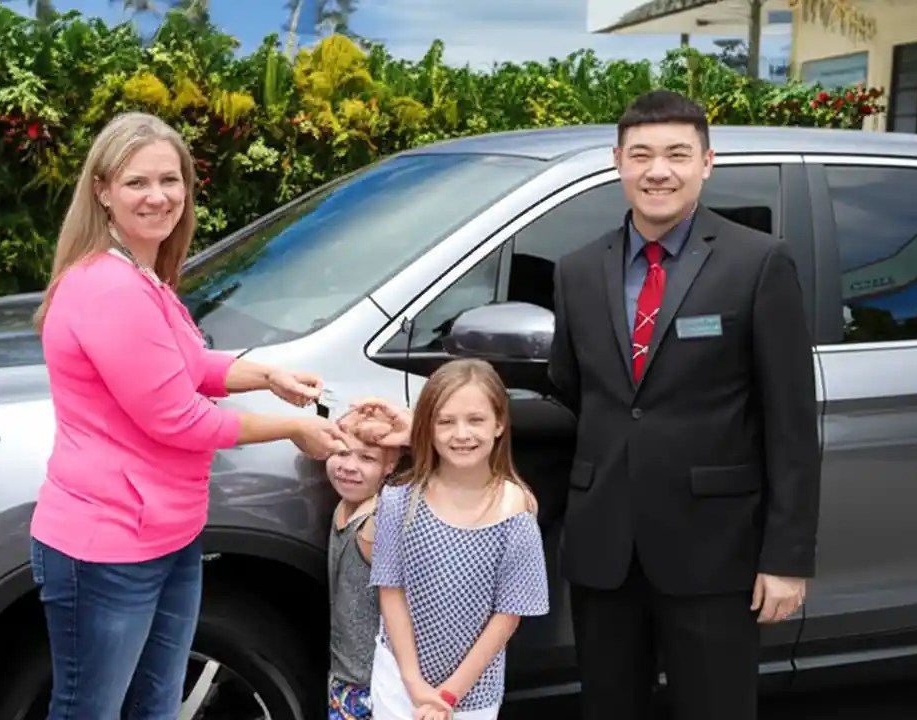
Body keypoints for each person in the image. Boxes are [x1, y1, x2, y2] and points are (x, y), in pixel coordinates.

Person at [28, 111, 348, 719]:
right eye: (137, 183)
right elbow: (178, 418)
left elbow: (187, 364)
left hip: (166, 536)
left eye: (169, 180)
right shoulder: (109, 288)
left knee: (155, 708)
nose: (158, 197)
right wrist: (295, 428)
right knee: (86, 711)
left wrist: (267, 375)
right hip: (108, 548)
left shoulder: (141, 276)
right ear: (102, 191)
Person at [546, 90, 821, 720]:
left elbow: (791, 423)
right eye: (640, 154)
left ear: (707, 163)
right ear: (618, 161)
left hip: (716, 551)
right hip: (604, 551)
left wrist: (786, 559)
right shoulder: (577, 271)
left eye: (676, 153)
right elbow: (573, 394)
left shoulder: (759, 263)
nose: (657, 170)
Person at [367, 359, 550, 720]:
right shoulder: (398, 500)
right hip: (398, 679)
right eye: (445, 421)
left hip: (472, 693)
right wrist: (414, 684)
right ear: (428, 429)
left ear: (499, 424)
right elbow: (391, 590)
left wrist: (448, 695)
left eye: (475, 420)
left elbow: (507, 617)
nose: (461, 434)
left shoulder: (516, 513)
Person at [324, 403, 407, 720]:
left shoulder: (375, 524)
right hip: (345, 676)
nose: (348, 466)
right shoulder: (345, 505)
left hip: (371, 684)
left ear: (390, 465)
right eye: (341, 452)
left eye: (367, 458)